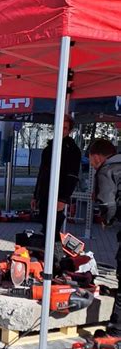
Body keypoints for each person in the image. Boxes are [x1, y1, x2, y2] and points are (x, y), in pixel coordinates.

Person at [88, 138, 121, 336]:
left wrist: (106, 220)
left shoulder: (107, 169)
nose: (92, 164)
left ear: (98, 156)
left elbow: (107, 204)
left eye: (91, 160)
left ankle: (115, 334)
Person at [32, 115, 81, 241]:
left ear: (69, 131)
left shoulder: (72, 150)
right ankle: (48, 257)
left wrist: (63, 199)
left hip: (59, 195)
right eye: (60, 127)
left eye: (65, 128)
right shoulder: (49, 149)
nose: (61, 130)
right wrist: (35, 196)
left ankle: (56, 258)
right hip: (44, 195)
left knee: (53, 232)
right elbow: (41, 173)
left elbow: (72, 177)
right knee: (46, 230)